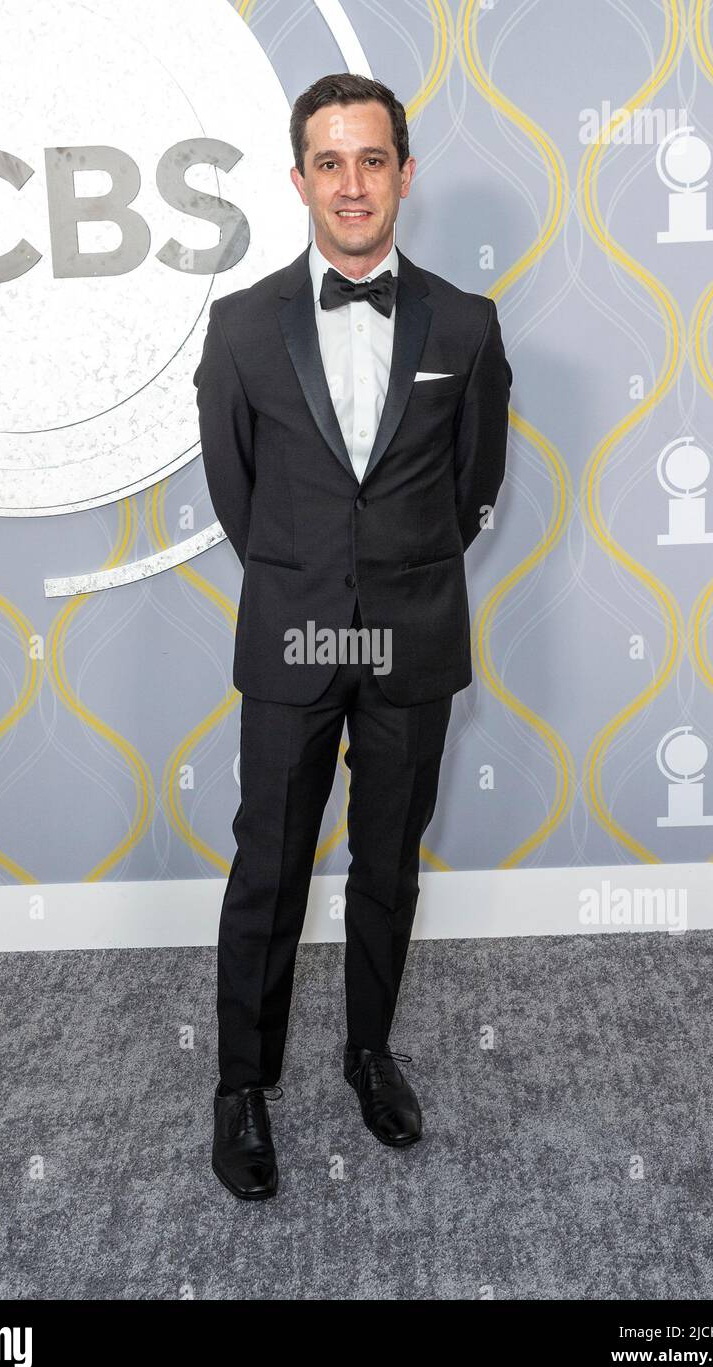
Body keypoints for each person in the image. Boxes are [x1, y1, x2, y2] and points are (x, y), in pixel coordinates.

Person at [194, 72, 512, 1200]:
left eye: (371, 159)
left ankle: (371, 1053)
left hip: (413, 640)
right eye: (328, 161)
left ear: (404, 174)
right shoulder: (239, 328)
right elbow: (239, 494)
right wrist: (303, 583)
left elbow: (473, 486)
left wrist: (396, 579)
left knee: (386, 864)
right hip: (291, 636)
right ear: (298, 180)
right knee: (268, 867)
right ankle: (243, 1085)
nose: (352, 183)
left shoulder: (467, 326)